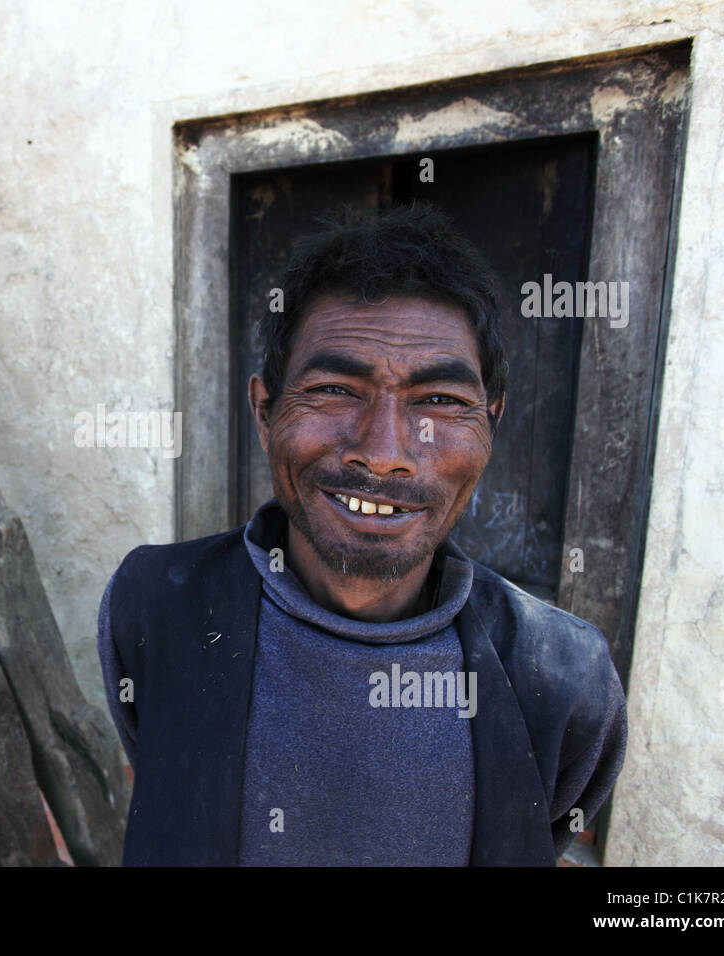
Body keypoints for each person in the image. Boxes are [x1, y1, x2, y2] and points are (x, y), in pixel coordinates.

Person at [97, 202, 627, 866]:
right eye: (336, 390)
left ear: (491, 423)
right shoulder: (153, 606)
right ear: (265, 410)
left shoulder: (563, 675)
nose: (383, 453)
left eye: (439, 400)